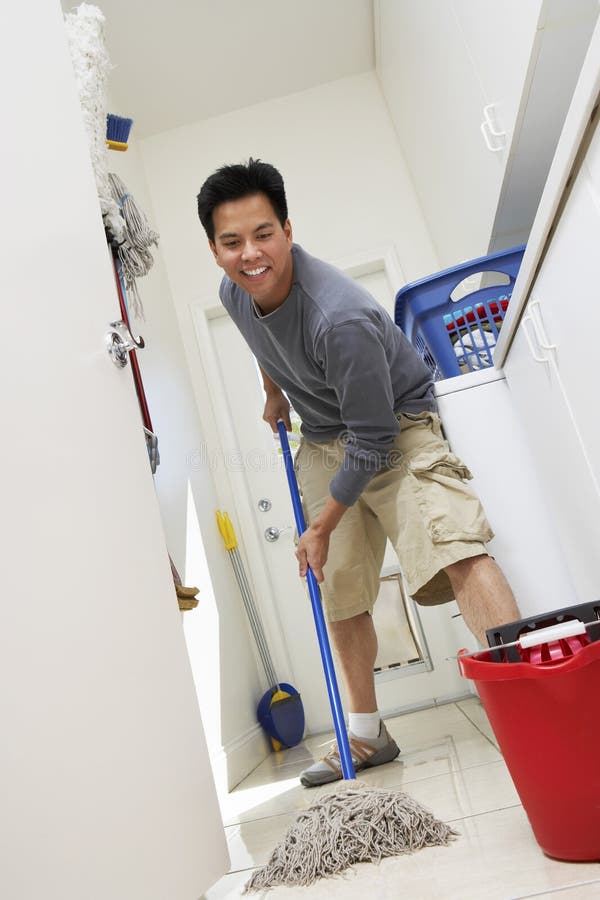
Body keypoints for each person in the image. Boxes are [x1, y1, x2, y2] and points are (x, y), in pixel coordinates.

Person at [197, 158, 521, 787]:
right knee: (339, 588)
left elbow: (373, 441)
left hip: (395, 432)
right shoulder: (234, 293)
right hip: (321, 439)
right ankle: (369, 736)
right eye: (232, 242)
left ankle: (526, 694)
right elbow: (260, 340)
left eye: (263, 234)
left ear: (288, 229)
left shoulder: (338, 318)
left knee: (457, 549)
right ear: (215, 250)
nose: (251, 254)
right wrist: (275, 392)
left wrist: (321, 523)